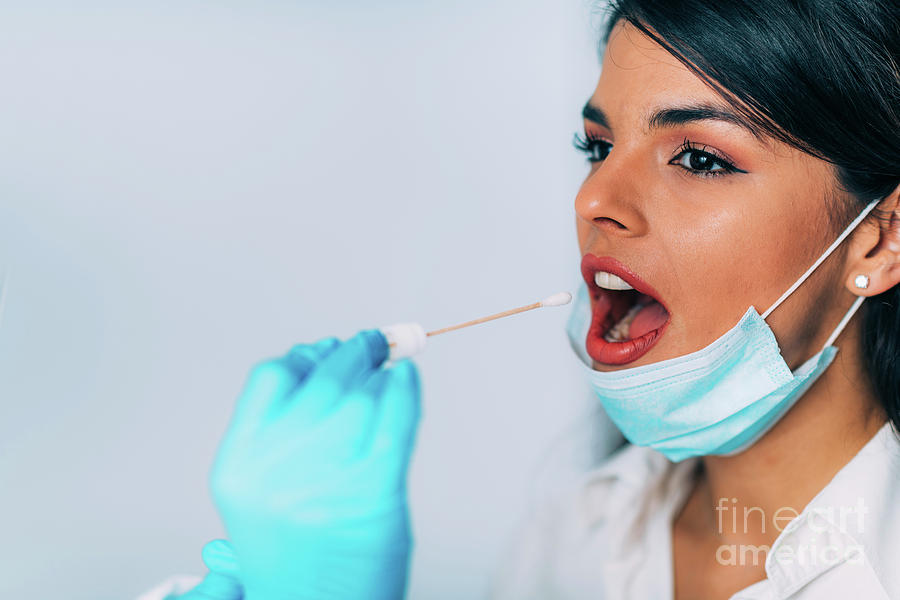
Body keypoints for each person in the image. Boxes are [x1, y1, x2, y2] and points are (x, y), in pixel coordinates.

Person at [142, 0, 899, 598]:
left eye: (698, 158)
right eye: (597, 147)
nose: (596, 198)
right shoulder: (579, 532)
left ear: (881, 238)